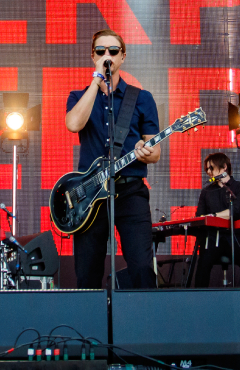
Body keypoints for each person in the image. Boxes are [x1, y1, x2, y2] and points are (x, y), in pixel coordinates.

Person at [64, 29, 161, 289]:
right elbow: (73, 124)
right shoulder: (78, 96)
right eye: (100, 51)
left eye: (113, 51)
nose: (107, 56)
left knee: (142, 267)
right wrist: (96, 82)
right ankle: (91, 328)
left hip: (130, 191)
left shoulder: (142, 98)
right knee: (87, 271)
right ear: (92, 56)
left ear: (123, 57)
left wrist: (145, 150)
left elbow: (156, 152)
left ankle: (142, 326)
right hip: (90, 196)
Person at [193, 153, 240, 287]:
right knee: (202, 267)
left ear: (224, 167)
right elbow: (200, 216)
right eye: (206, 169)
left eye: (211, 168)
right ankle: (198, 300)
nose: (208, 172)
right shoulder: (206, 191)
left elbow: (236, 211)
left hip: (235, 237)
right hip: (213, 238)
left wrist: (213, 216)